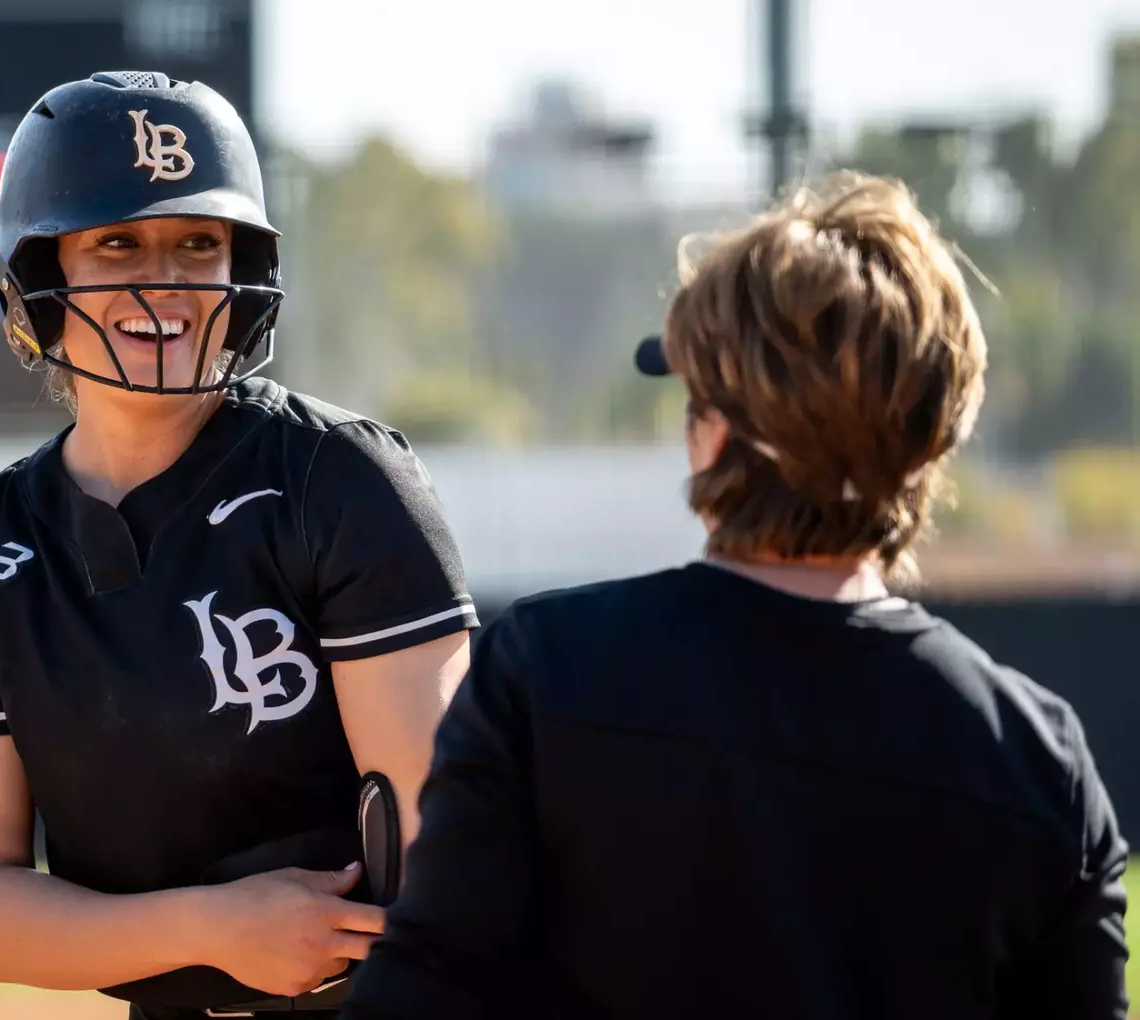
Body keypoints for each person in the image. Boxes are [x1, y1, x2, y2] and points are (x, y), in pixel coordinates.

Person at [342, 172, 1130, 1020]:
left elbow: (422, 995)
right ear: (930, 443)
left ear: (716, 435)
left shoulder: (546, 674)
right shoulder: (1038, 760)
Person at [0, 71, 477, 1020]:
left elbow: (452, 846)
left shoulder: (338, 480)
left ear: (240, 268)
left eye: (198, 243)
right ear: (40, 279)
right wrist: (213, 928)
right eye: (117, 242)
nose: (163, 279)